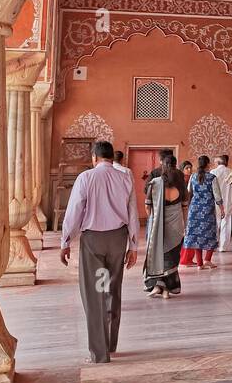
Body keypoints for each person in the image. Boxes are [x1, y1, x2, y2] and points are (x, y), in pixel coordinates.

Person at [60, 140, 138, 363]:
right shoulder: (125, 177)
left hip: (94, 242)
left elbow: (75, 211)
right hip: (118, 239)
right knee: (112, 290)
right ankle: (111, 343)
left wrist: (66, 240)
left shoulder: (86, 177)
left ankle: (100, 352)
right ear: (111, 157)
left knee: (96, 293)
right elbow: (132, 212)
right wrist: (133, 246)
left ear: (94, 157)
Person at [143, 150, 187, 296]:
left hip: (158, 225)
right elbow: (184, 207)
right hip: (176, 226)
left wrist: (154, 219)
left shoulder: (154, 183)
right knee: (172, 256)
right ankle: (167, 289)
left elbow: (148, 206)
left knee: (158, 254)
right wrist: (185, 225)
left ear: (163, 165)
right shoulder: (181, 184)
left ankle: (157, 285)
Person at [182, 156, 223, 268]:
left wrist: (187, 207)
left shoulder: (193, 177)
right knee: (210, 234)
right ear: (208, 164)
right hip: (207, 210)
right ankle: (207, 260)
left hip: (194, 209)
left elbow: (189, 192)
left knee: (196, 236)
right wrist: (222, 208)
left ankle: (200, 263)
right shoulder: (212, 177)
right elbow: (217, 195)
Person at [212, 154, 232, 252]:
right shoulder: (231, 172)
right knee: (226, 222)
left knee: (215, 222)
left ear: (218, 162)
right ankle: (223, 246)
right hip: (228, 200)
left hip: (215, 201)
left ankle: (214, 244)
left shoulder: (213, 172)